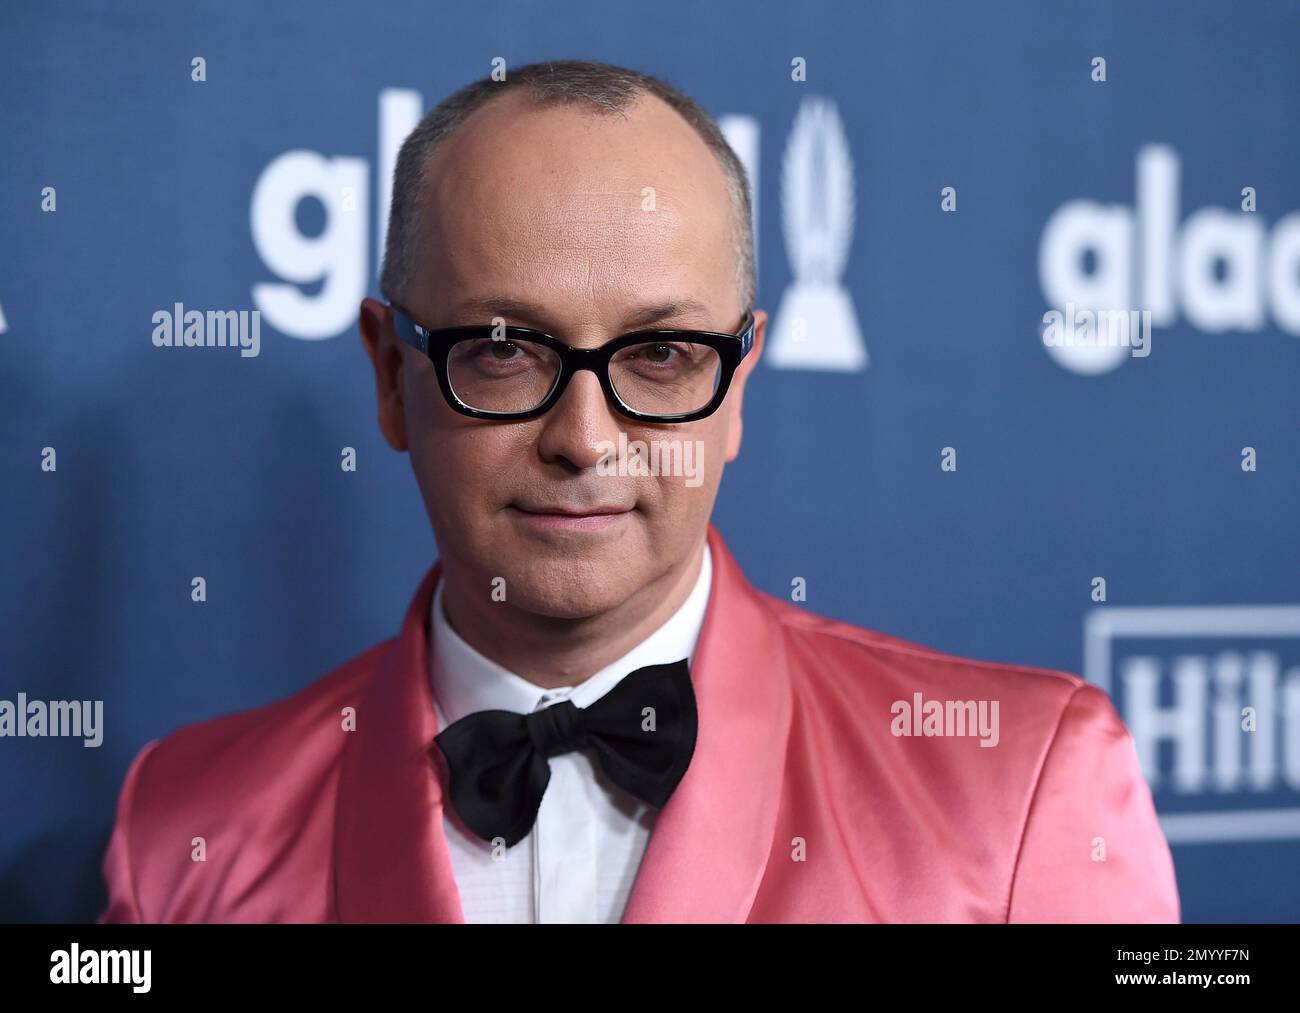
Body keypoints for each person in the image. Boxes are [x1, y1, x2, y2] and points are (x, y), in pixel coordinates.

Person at [98, 59, 1179, 923]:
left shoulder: (1024, 788)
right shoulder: (185, 833)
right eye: (505, 349)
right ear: (391, 375)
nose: (584, 438)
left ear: (737, 383)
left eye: (660, 354)